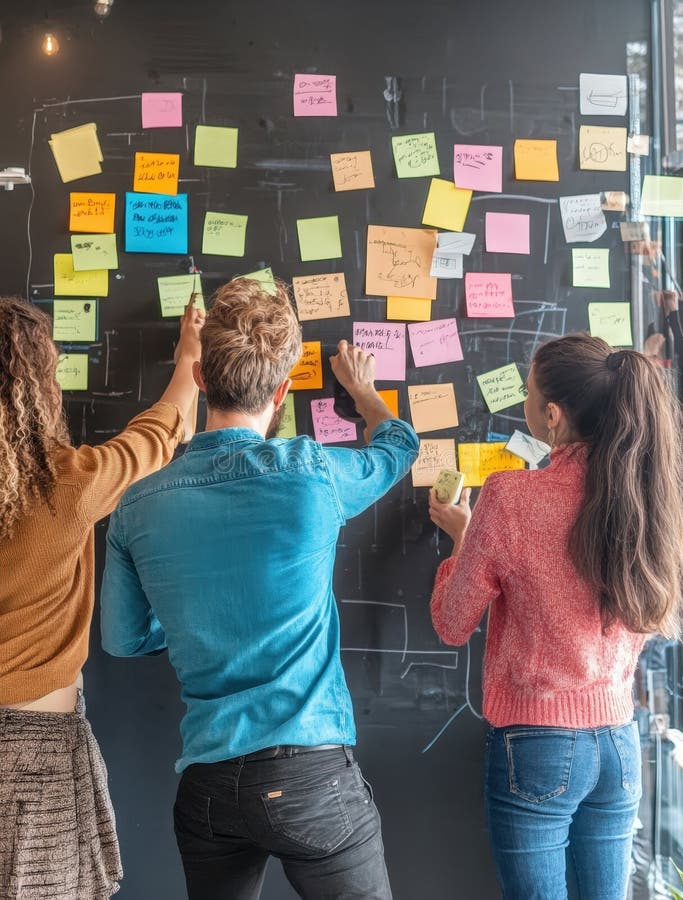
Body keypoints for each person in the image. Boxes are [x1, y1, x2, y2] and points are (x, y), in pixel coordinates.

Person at [99, 277, 419, 900]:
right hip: (312, 779)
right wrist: (363, 392)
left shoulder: (136, 505)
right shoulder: (312, 474)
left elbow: (123, 639)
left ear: (200, 376)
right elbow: (398, 447)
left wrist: (193, 612)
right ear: (280, 391)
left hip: (209, 789)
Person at [428, 333, 683, 900]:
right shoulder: (647, 498)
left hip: (536, 746)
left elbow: (451, 623)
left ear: (550, 414)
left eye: (527, 392)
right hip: (619, 741)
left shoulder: (511, 497)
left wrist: (462, 544)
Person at [0, 295, 204, 900]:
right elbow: (155, 435)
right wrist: (188, 359)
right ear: (38, 386)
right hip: (34, 753)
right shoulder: (64, 484)